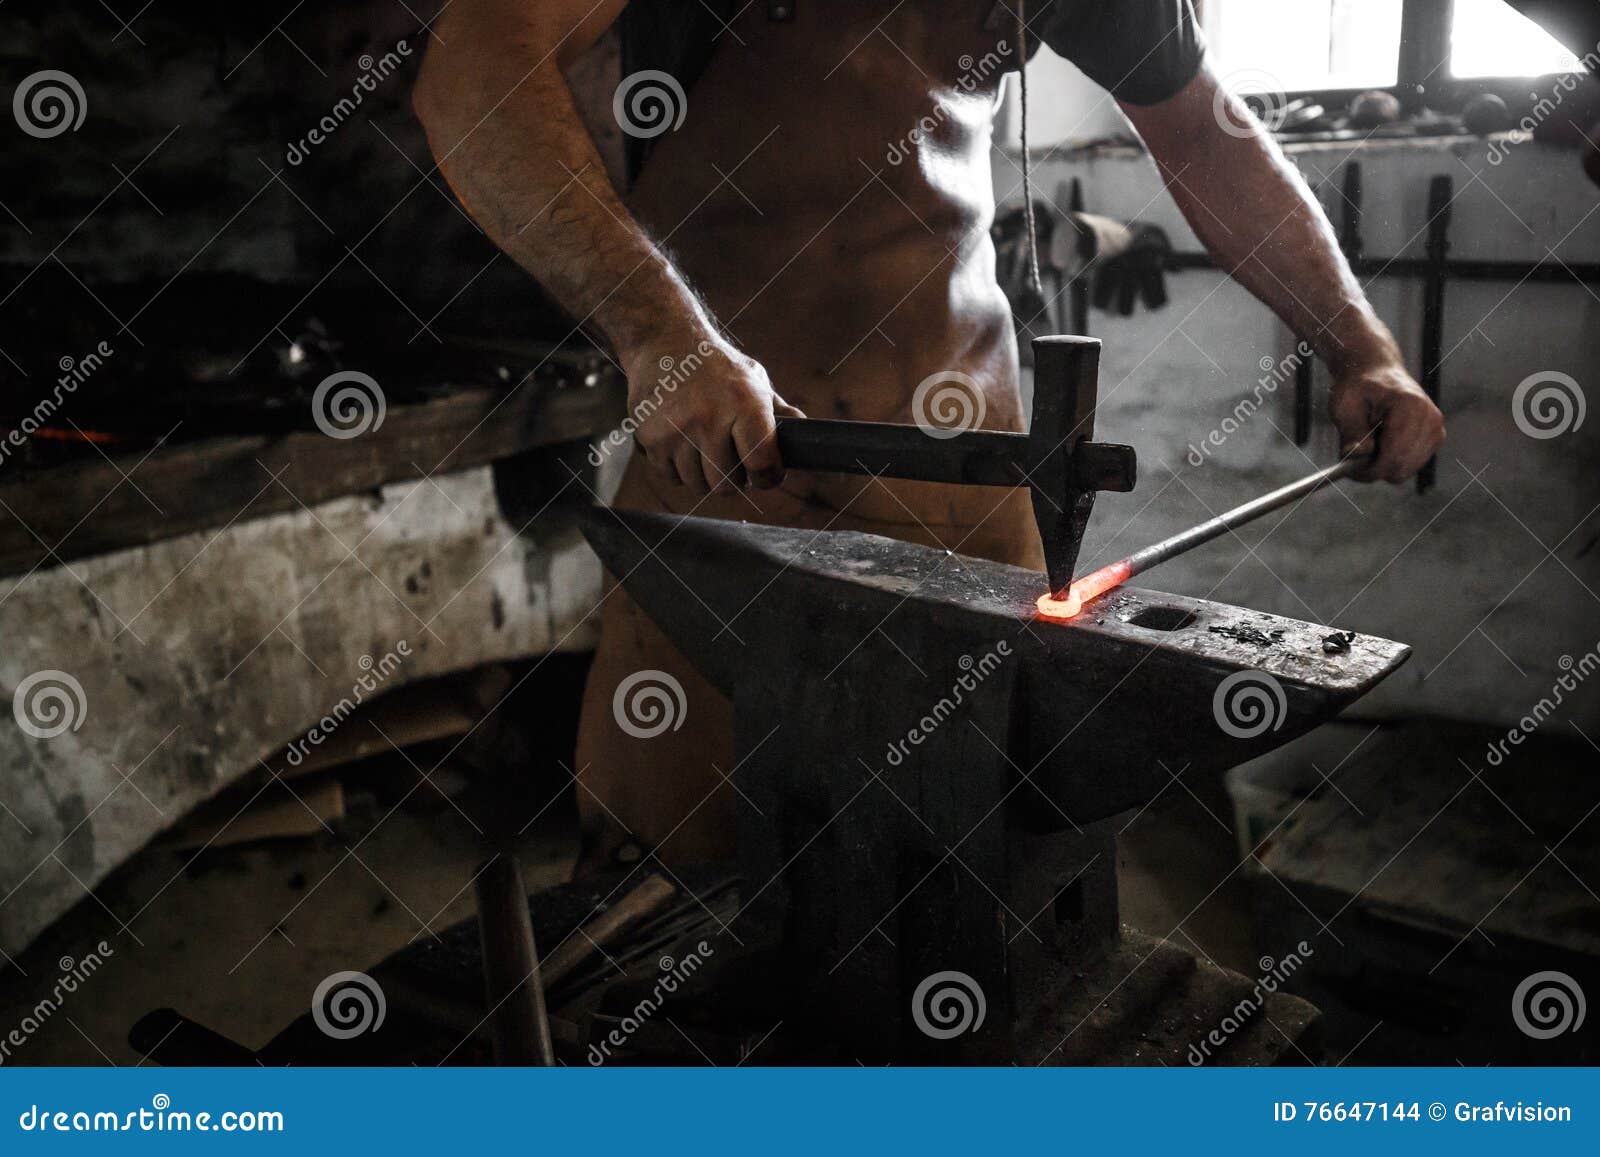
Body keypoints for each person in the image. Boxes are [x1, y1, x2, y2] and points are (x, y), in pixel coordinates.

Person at [413, 1, 1446, 869]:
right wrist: (660, 335)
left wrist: (1359, 344)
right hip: (738, 499)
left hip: (982, 507)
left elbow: (1201, 131)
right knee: (693, 916)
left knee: (985, 897)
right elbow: (470, 77)